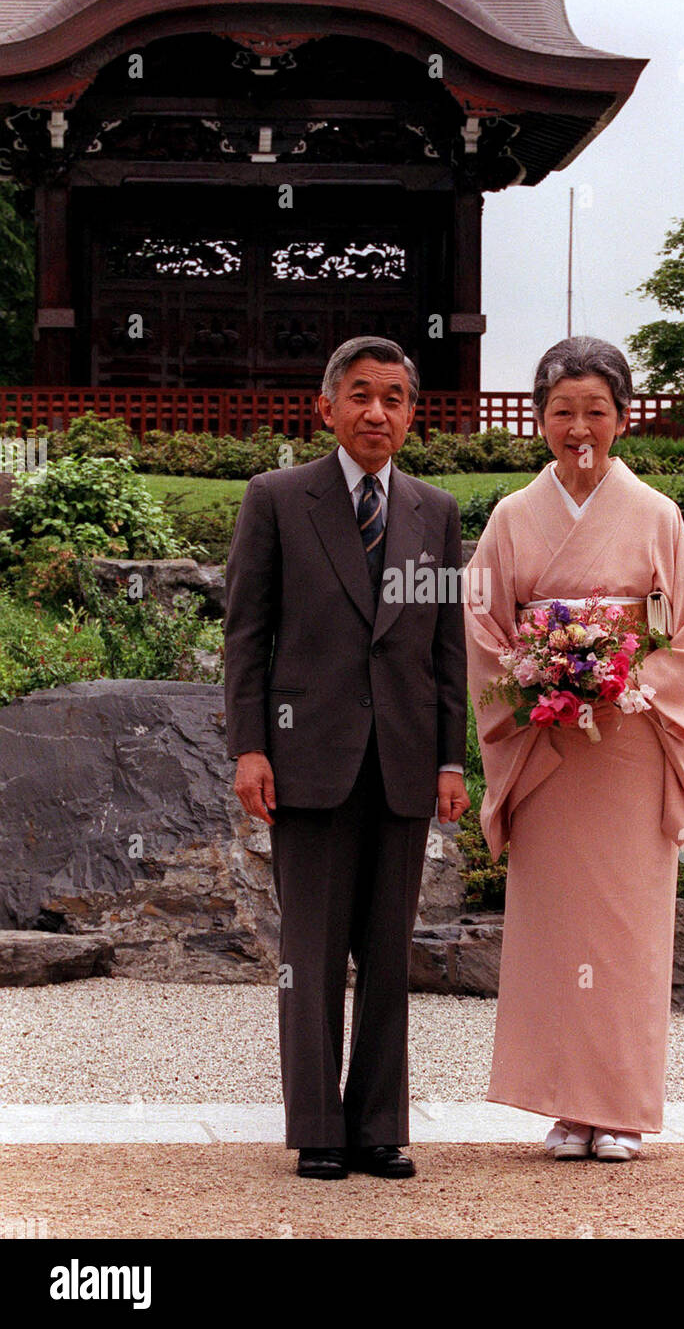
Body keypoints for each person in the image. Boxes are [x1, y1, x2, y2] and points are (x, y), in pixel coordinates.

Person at [464, 337, 684, 1162]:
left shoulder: (655, 516)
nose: (580, 428)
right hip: (547, 746)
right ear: (540, 419)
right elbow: (483, 623)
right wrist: (533, 678)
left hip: (629, 744)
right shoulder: (511, 516)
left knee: (625, 929)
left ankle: (621, 1107)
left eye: (596, 412)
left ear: (624, 418)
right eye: (563, 411)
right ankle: (565, 1107)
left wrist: (623, 676)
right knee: (553, 928)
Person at [224, 336, 469, 1180]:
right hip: (306, 760)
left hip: (403, 763)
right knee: (311, 954)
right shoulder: (279, 499)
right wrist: (250, 746)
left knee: (389, 956)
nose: (378, 411)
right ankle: (318, 1127)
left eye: (394, 397)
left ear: (411, 414)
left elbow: (446, 649)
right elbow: (247, 637)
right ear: (325, 409)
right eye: (360, 395)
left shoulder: (434, 513)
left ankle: (380, 1124)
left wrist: (451, 759)